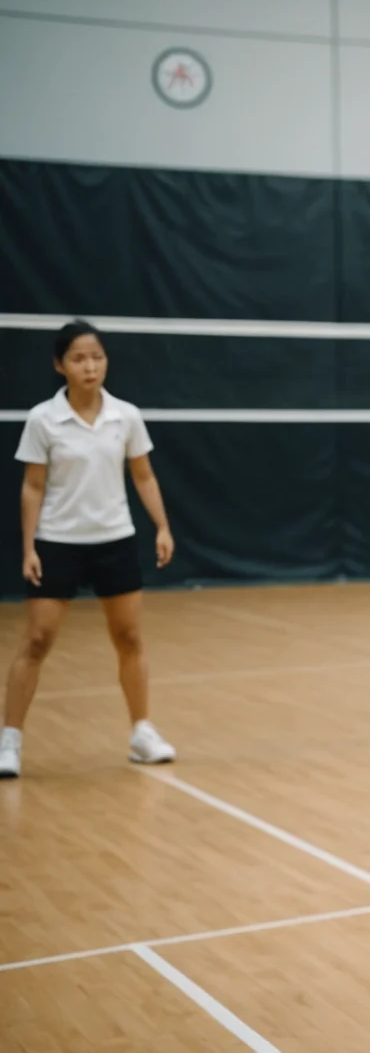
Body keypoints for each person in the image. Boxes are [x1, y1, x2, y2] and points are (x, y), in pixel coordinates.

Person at [4, 320, 178, 778]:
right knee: (37, 640)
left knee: (129, 638)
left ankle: (141, 732)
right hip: (57, 541)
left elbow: (143, 475)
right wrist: (29, 548)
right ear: (60, 365)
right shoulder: (43, 419)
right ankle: (10, 740)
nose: (90, 366)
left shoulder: (126, 416)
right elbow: (32, 487)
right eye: (79, 358)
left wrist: (162, 526)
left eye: (97, 357)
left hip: (114, 540)